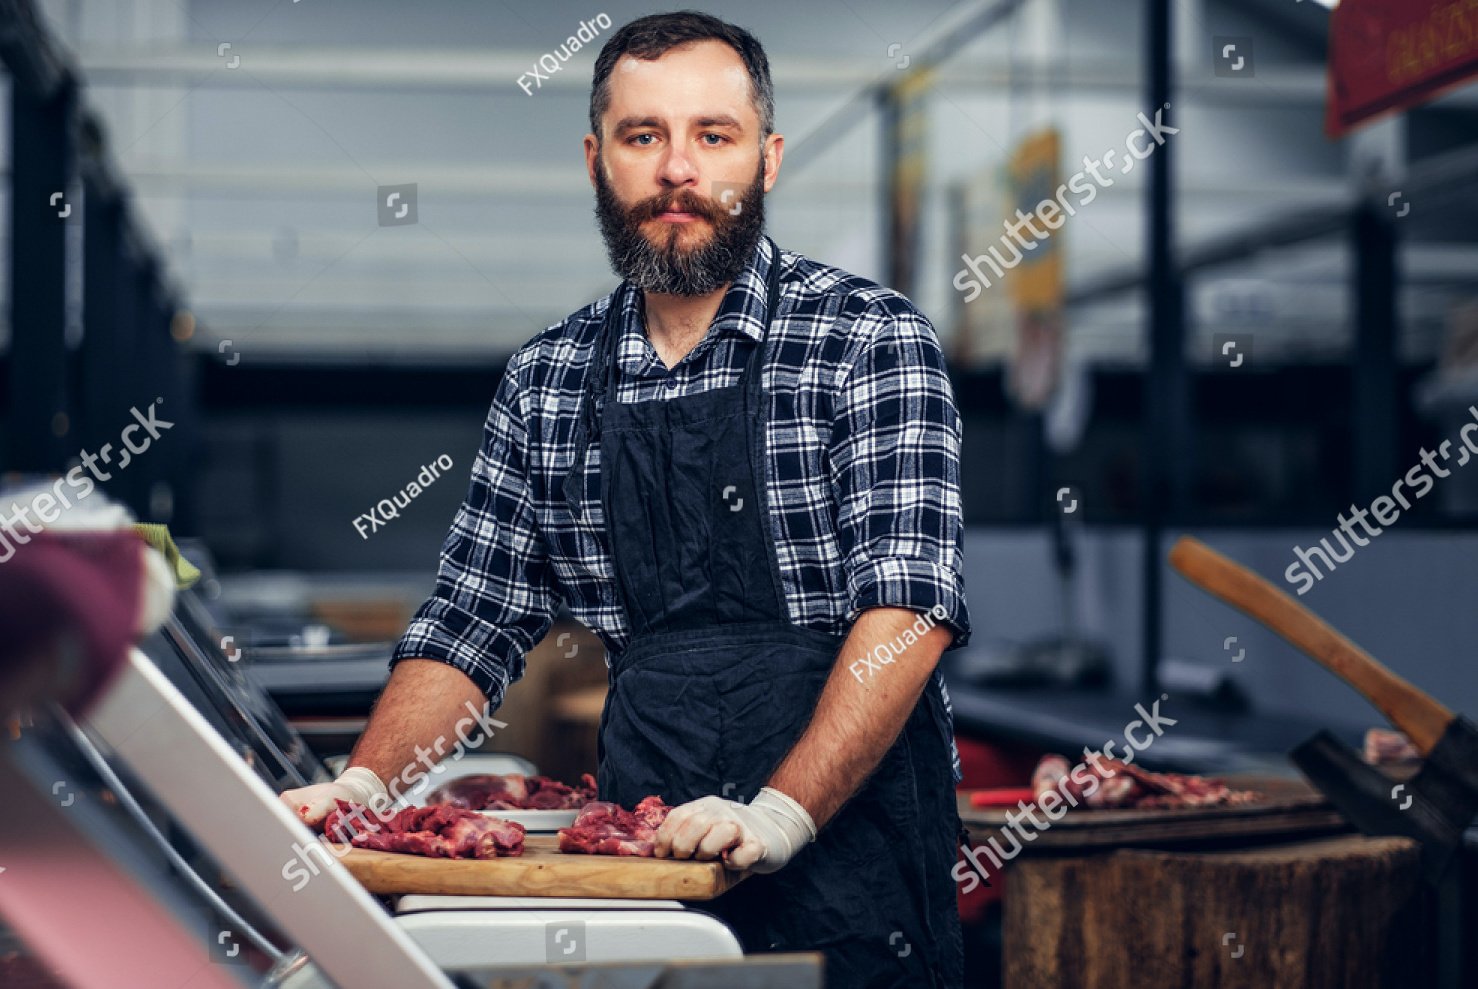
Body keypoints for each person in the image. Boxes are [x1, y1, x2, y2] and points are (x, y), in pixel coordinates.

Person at [280, 11, 970, 987]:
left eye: (712, 136)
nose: (676, 169)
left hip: (854, 863)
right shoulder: (548, 378)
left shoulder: (866, 341)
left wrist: (777, 812)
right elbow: (471, 618)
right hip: (648, 868)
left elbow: (906, 611)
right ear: (596, 159)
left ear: (766, 159)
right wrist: (362, 782)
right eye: (643, 136)